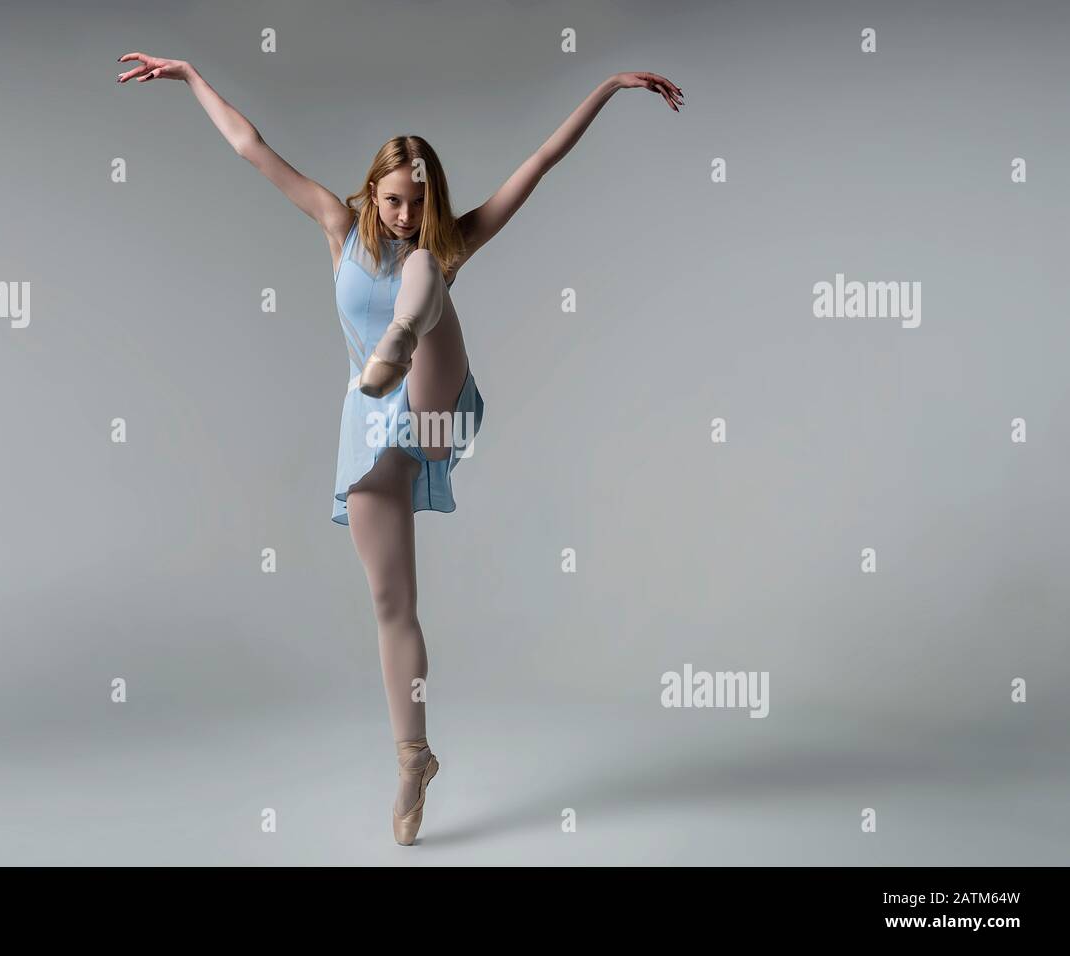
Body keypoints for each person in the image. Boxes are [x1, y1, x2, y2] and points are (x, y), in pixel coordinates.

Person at [116, 51, 683, 844]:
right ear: (369, 190)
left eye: (417, 202)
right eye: (392, 201)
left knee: (426, 271)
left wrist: (609, 88)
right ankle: (414, 757)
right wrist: (187, 75)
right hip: (370, 426)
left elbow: (541, 161)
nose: (404, 215)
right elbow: (251, 146)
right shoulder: (337, 223)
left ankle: (400, 338)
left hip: (432, 404)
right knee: (393, 605)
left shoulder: (440, 243)